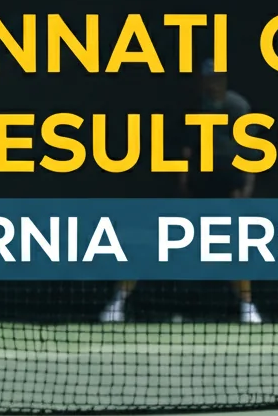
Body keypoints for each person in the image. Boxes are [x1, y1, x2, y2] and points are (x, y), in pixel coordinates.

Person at [100, 60, 263, 326]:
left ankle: (247, 307)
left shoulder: (238, 108)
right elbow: (185, 153)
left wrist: (245, 190)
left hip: (228, 194)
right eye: (206, 77)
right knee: (152, 243)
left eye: (215, 77)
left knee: (237, 250)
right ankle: (117, 303)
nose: (210, 82)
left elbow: (251, 153)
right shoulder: (193, 109)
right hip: (194, 195)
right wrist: (183, 187)